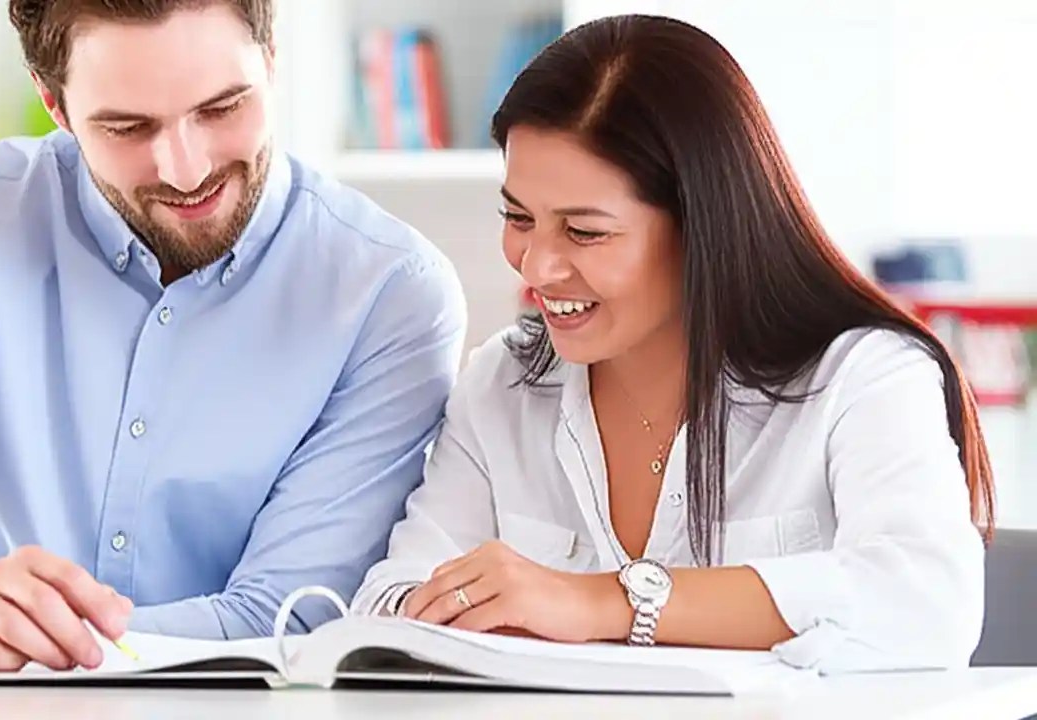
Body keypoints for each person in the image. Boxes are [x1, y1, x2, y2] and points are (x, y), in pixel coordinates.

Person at [0, 0, 466, 670]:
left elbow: (288, 621)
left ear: (272, 57)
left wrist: (42, 645)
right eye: (129, 128)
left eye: (223, 107)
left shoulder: (388, 294)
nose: (186, 170)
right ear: (54, 105)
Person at [353, 14, 993, 673]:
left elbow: (926, 604)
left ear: (703, 226)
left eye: (585, 232)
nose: (536, 266)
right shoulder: (503, 383)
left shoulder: (862, 376)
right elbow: (387, 598)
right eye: (518, 218)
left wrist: (604, 605)